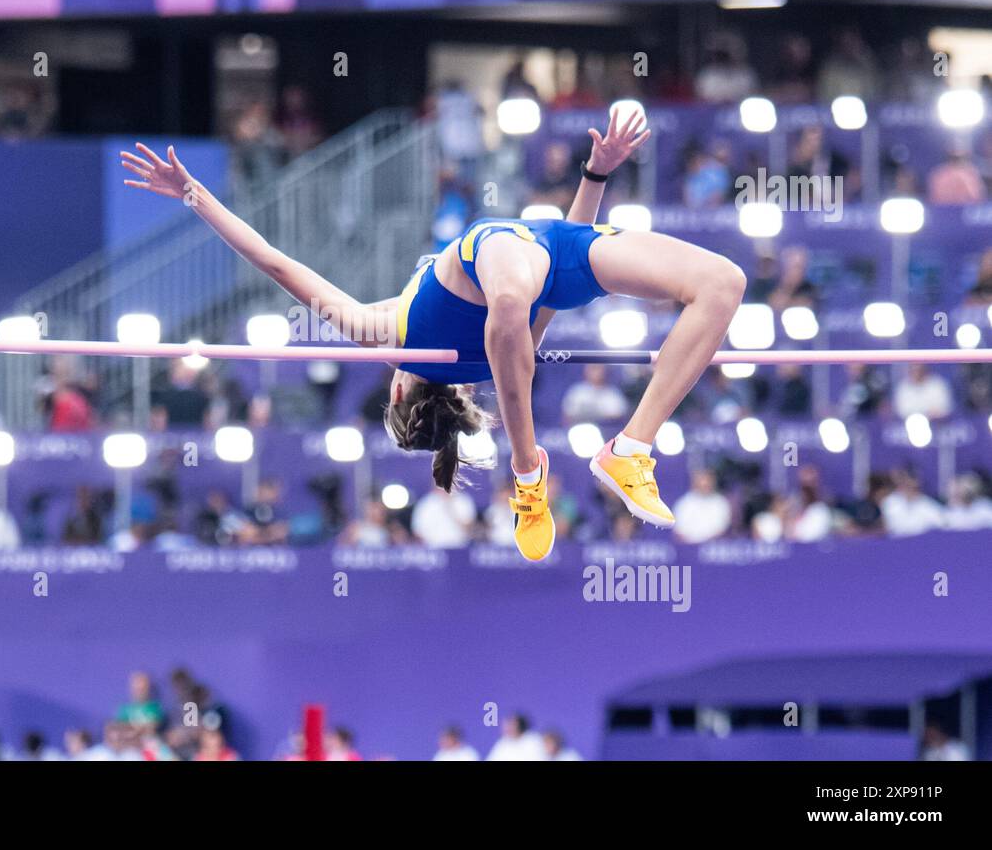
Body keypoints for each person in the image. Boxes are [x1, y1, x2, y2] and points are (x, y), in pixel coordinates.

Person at [122, 113, 744, 562]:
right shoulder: (396, 338)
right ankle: (544, 472)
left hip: (542, 259)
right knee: (721, 283)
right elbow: (280, 266)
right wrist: (595, 177)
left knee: (715, 283)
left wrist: (594, 173)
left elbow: (281, 266)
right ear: (397, 393)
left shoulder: (416, 338)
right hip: (534, 258)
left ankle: (624, 449)